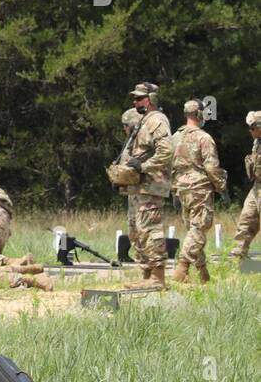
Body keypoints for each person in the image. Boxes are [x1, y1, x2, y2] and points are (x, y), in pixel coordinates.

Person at [108, 82, 173, 288]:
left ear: (151, 99)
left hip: (151, 186)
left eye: (139, 98)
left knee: (150, 230)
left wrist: (143, 166)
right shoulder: (144, 121)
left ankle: (158, 277)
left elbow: (166, 152)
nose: (135, 101)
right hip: (138, 187)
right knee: (137, 231)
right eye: (134, 98)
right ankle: (146, 274)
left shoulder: (157, 121)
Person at [168, 99, 226, 283]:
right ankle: (181, 269)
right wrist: (221, 186)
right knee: (199, 230)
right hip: (200, 189)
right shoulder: (204, 138)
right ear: (200, 115)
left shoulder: (174, 138)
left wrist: (173, 189)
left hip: (181, 189)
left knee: (193, 232)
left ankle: (203, 274)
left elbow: (168, 166)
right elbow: (211, 167)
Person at [230, 110, 261, 261]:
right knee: (246, 220)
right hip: (257, 186)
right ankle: (238, 259)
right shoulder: (257, 142)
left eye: (252, 127)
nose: (250, 131)